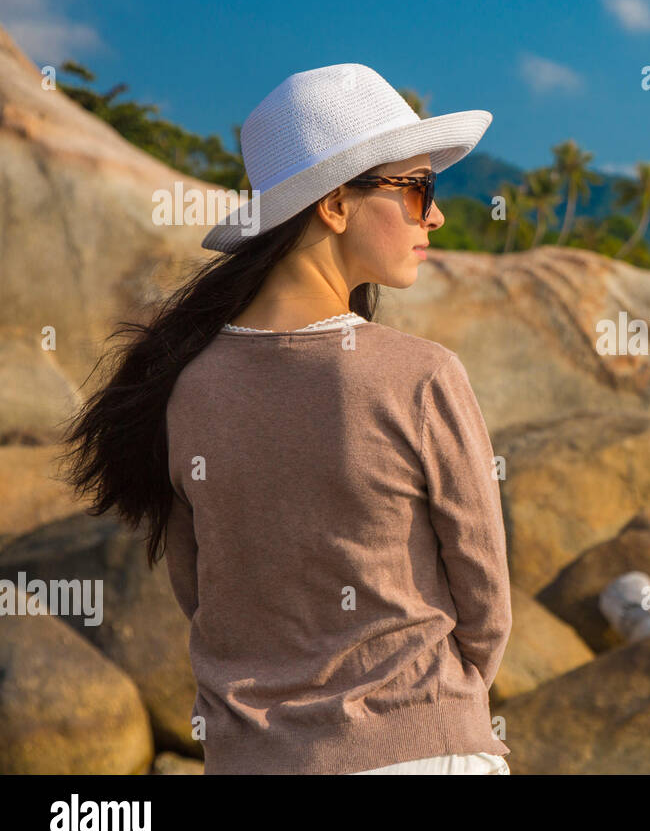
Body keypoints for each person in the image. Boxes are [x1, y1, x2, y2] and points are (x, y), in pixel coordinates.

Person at [59, 63, 512, 775]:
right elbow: (485, 602)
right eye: (418, 187)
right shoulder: (420, 375)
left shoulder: (184, 388)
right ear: (335, 204)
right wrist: (438, 715)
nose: (436, 214)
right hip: (420, 751)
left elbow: (202, 593)